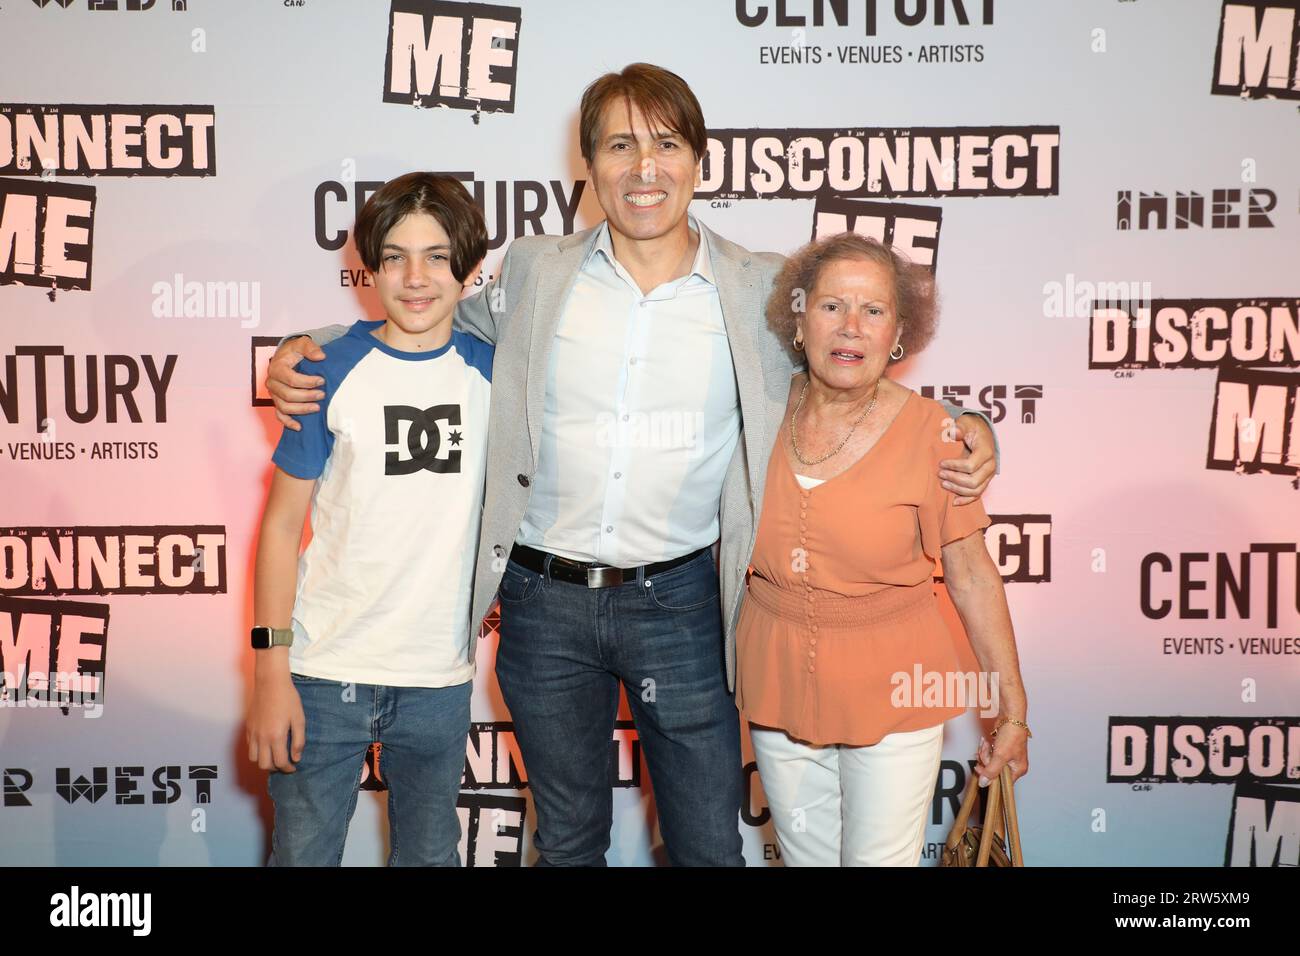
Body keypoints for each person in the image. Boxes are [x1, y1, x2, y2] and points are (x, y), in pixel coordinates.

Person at [265, 64, 999, 866]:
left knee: (705, 843)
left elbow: (848, 363)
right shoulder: (536, 271)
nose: (643, 168)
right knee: (571, 837)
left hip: (681, 606)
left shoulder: (760, 290)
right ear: (588, 165)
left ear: (698, 160)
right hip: (541, 607)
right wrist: (307, 350)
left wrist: (964, 422)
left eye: (666, 143)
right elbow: (420, 323)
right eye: (619, 145)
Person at [737, 233, 1030, 866]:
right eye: (831, 306)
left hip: (896, 686)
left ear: (899, 332)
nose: (851, 328)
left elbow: (974, 576)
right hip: (775, 677)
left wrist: (1012, 710)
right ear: (799, 317)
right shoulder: (755, 412)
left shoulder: (936, 434)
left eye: (873, 311)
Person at [246, 172, 492, 866]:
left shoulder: (497, 374)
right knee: (302, 856)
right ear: (370, 268)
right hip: (321, 674)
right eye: (394, 257)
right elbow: (277, 528)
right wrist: (271, 671)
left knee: (430, 858)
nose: (415, 278)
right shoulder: (327, 370)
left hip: (437, 682)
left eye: (437, 256)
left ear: (469, 269)